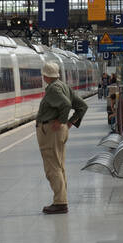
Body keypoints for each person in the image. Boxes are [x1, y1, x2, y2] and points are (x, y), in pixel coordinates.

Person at [34, 60, 87, 215]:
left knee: (52, 168)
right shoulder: (64, 86)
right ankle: (61, 199)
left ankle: (60, 203)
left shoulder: (53, 89)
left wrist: (62, 121)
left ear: (45, 76)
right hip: (58, 132)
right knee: (59, 166)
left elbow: (65, 104)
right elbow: (82, 106)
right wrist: (70, 122)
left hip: (51, 132)